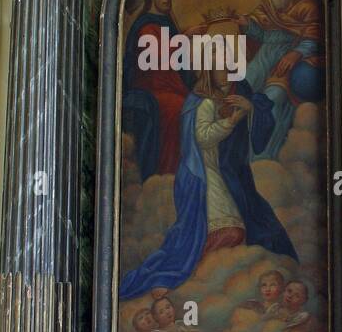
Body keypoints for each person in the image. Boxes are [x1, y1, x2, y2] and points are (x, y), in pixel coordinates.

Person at [119, 63, 297, 300]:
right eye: (219, 69)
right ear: (209, 74)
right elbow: (203, 138)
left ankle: (198, 274)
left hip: (212, 172)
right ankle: (182, 275)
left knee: (231, 231)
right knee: (228, 230)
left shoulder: (221, 96)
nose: (224, 72)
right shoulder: (203, 101)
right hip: (202, 175)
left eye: (226, 68)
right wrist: (232, 120)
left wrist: (249, 109)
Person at [240, 0, 324, 159]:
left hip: (287, 61)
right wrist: (247, 26)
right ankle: (236, 154)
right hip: (264, 58)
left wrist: (296, 53)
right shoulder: (268, 1)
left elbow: (317, 37)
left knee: (271, 100)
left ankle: (261, 158)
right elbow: (262, 35)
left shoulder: (307, 3)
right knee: (241, 90)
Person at [122, 0, 191, 179]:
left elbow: (180, 63)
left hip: (170, 84)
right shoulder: (145, 25)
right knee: (176, 109)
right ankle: (168, 171)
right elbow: (154, 60)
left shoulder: (167, 23)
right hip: (149, 85)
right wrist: (184, 38)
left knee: (196, 104)